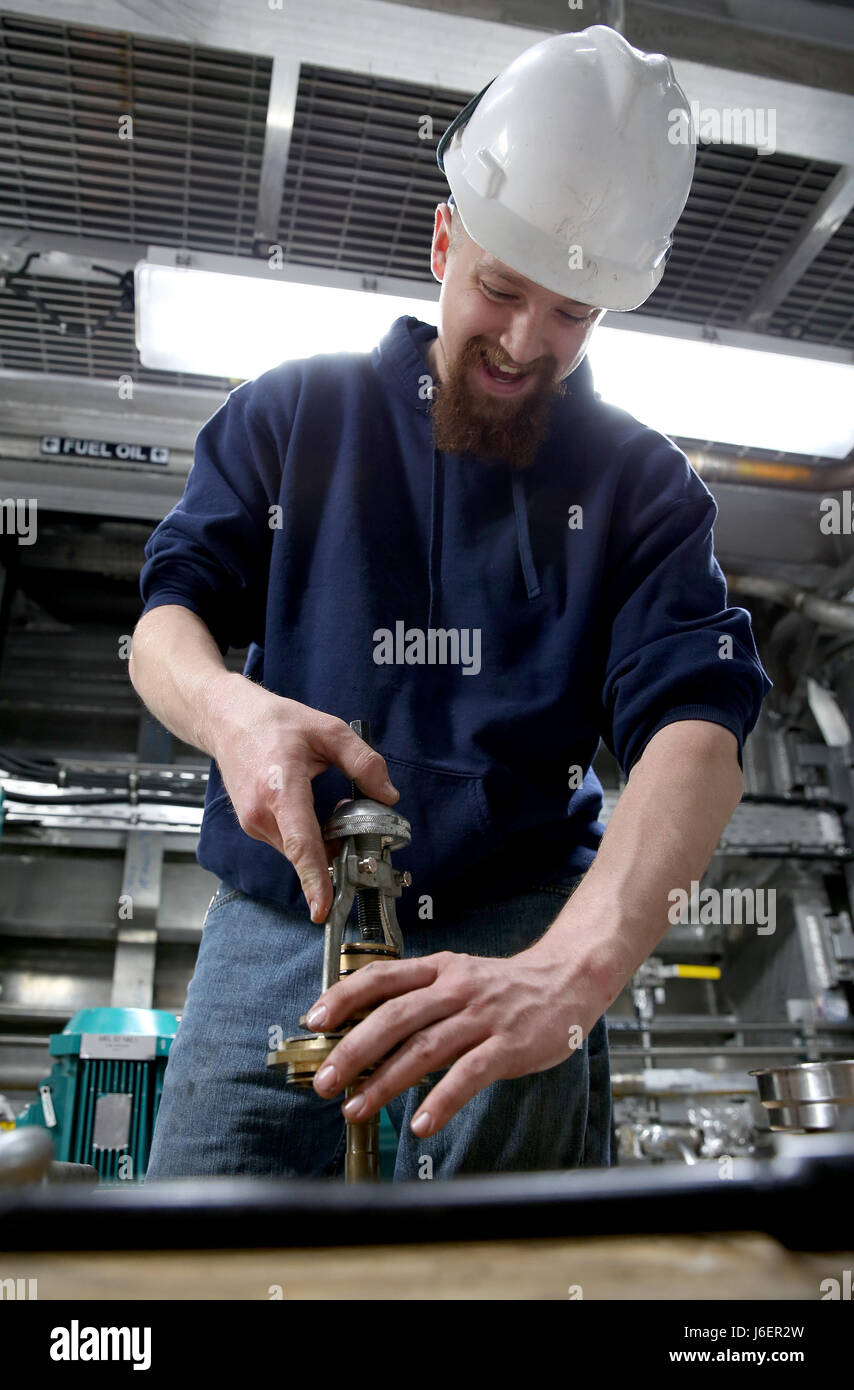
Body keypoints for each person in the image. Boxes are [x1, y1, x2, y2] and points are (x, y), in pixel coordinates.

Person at [130, 25, 772, 1180]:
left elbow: (696, 723)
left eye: (572, 314)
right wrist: (228, 709)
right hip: (274, 934)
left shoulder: (641, 490)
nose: (527, 344)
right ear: (442, 241)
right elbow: (164, 623)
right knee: (204, 1255)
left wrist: (572, 967)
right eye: (500, 289)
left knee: (500, 1276)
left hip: (518, 937)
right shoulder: (292, 417)